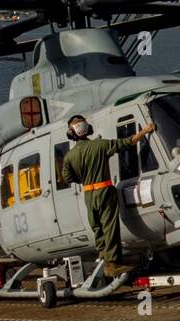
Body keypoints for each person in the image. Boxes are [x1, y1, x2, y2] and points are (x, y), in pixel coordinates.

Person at [59, 115, 155, 277]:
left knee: (97, 227)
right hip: (104, 191)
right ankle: (112, 264)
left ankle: (103, 258)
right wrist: (145, 131)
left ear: (71, 134)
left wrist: (82, 178)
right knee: (109, 227)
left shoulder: (70, 156)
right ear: (88, 129)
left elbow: (67, 178)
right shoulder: (100, 145)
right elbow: (126, 142)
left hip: (89, 194)